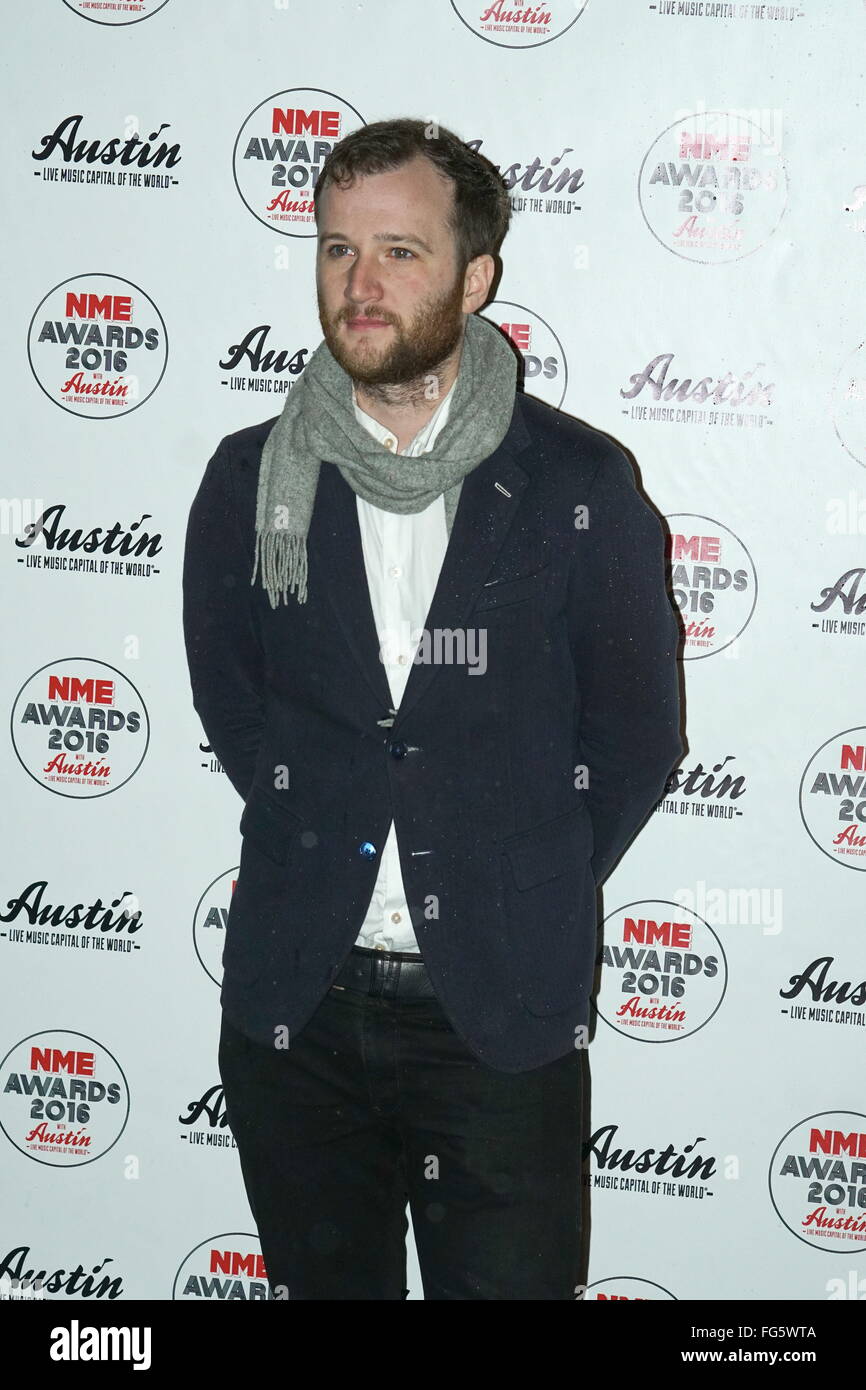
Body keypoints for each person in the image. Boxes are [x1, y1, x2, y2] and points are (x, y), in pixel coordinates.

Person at [182, 117, 683, 1300]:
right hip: (298, 1010)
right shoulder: (249, 480)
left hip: (497, 1021)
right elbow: (239, 708)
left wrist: (520, 867)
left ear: (473, 276)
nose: (360, 284)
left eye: (399, 252)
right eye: (337, 249)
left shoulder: (573, 483)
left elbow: (636, 741)